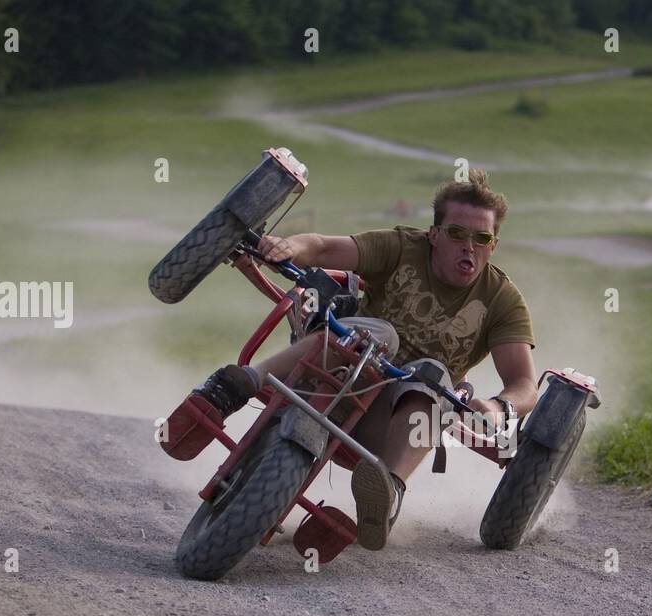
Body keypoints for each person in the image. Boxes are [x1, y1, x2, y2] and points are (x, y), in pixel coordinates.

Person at [168, 168, 538, 550]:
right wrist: (291, 247)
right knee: (381, 334)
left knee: (434, 376)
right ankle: (237, 385)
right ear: (434, 235)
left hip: (391, 427)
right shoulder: (401, 248)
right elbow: (325, 247)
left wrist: (498, 408)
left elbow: (524, 384)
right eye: (457, 234)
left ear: (493, 245)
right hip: (336, 371)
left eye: (481, 238)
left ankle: (387, 493)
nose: (469, 247)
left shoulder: (502, 300)